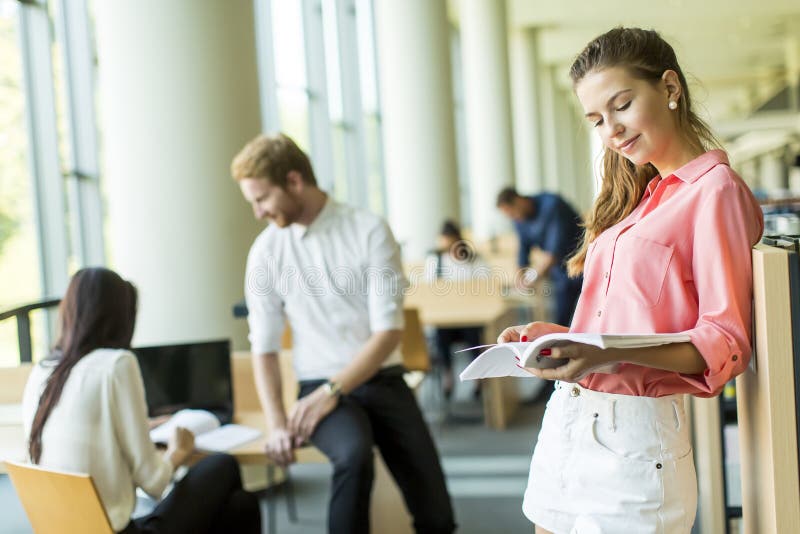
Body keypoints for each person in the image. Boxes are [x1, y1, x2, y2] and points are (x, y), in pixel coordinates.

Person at [497, 27, 764, 534]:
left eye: (621, 105)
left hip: (634, 442)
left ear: (669, 87)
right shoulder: (643, 197)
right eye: (597, 120)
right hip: (569, 421)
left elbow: (724, 342)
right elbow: (622, 321)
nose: (612, 130)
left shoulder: (715, 192)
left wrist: (605, 353)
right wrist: (554, 338)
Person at [232, 133, 455, 534]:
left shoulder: (368, 229)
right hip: (316, 382)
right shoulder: (265, 253)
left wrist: (330, 394)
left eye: (262, 198)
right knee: (353, 456)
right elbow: (263, 349)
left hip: (380, 379)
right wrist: (278, 423)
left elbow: (388, 332)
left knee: (436, 513)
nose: (257, 211)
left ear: (295, 181)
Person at [21, 267, 260, 534]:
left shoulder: (42, 371)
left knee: (241, 506)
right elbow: (154, 482)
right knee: (223, 465)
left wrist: (137, 428)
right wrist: (178, 452)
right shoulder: (117, 364)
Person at [496, 187, 583, 327]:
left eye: (513, 213)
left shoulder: (552, 205)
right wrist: (520, 275)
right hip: (560, 271)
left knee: (587, 315)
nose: (514, 218)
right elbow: (523, 250)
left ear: (519, 201)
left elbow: (554, 252)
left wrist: (533, 277)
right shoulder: (519, 219)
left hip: (582, 262)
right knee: (561, 320)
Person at [424, 220, 488, 399]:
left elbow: (486, 288)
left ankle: (478, 377)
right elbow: (429, 290)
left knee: (473, 333)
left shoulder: (474, 260)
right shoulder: (435, 262)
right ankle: (448, 374)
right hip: (445, 320)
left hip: (472, 318)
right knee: (440, 334)